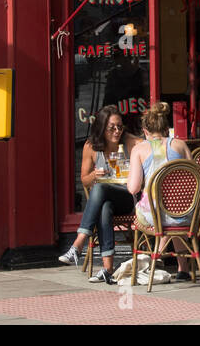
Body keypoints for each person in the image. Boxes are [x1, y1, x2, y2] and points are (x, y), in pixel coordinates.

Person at [57, 105, 142, 283]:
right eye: (112, 127)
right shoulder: (91, 147)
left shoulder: (128, 142)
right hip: (107, 200)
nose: (117, 131)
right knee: (104, 206)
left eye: (120, 126)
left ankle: (79, 242)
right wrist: (94, 175)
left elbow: (146, 145)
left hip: (127, 197)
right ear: (102, 127)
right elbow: (85, 180)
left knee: (99, 189)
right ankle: (108, 269)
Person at [126, 101, 195, 281]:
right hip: (185, 213)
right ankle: (183, 268)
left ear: (145, 131)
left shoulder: (139, 149)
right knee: (172, 212)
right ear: (166, 129)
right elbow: (196, 178)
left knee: (158, 210)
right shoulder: (180, 145)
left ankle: (153, 259)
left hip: (155, 216)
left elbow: (133, 188)